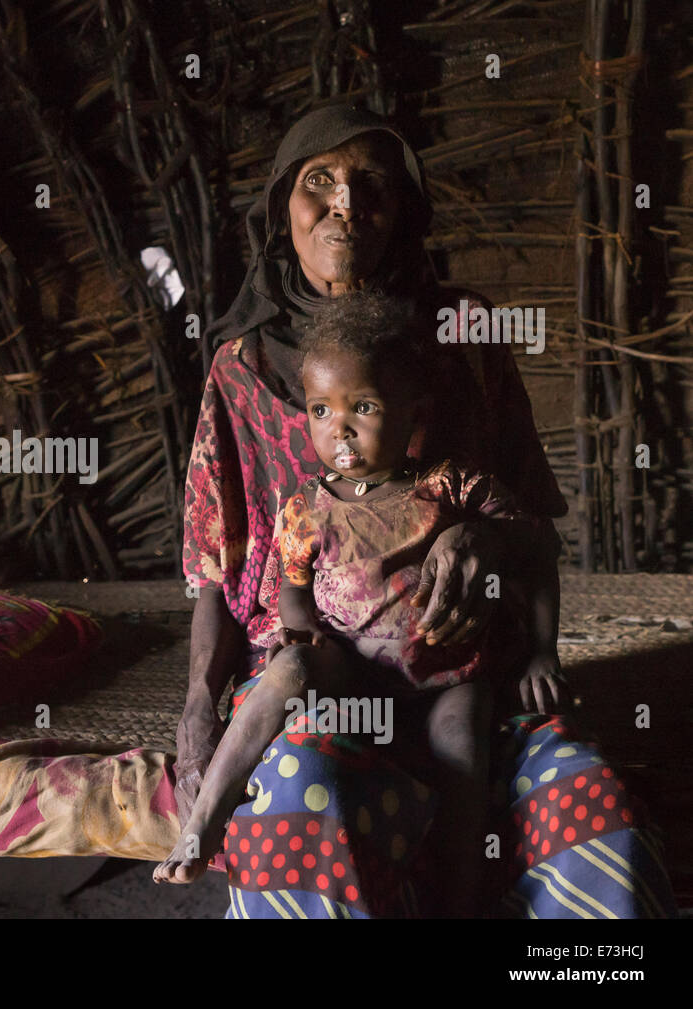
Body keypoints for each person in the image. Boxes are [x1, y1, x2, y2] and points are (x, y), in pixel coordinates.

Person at [175, 102, 677, 917]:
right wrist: (201, 703)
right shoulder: (243, 369)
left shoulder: (464, 334)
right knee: (300, 813)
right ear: (281, 210)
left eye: (372, 184)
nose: (346, 204)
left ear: (405, 209)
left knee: (596, 819)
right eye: (319, 182)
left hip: (468, 671)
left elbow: (531, 528)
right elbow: (214, 566)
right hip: (319, 681)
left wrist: (485, 544)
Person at [157, 292, 564, 915]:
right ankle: (204, 822)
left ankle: (459, 900)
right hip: (351, 666)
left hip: (444, 674)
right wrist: (302, 634)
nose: (340, 428)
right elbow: (291, 592)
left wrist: (540, 653)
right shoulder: (307, 508)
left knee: (465, 750)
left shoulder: (452, 487)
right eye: (322, 410)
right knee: (285, 671)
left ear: (414, 415)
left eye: (364, 407)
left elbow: (536, 552)